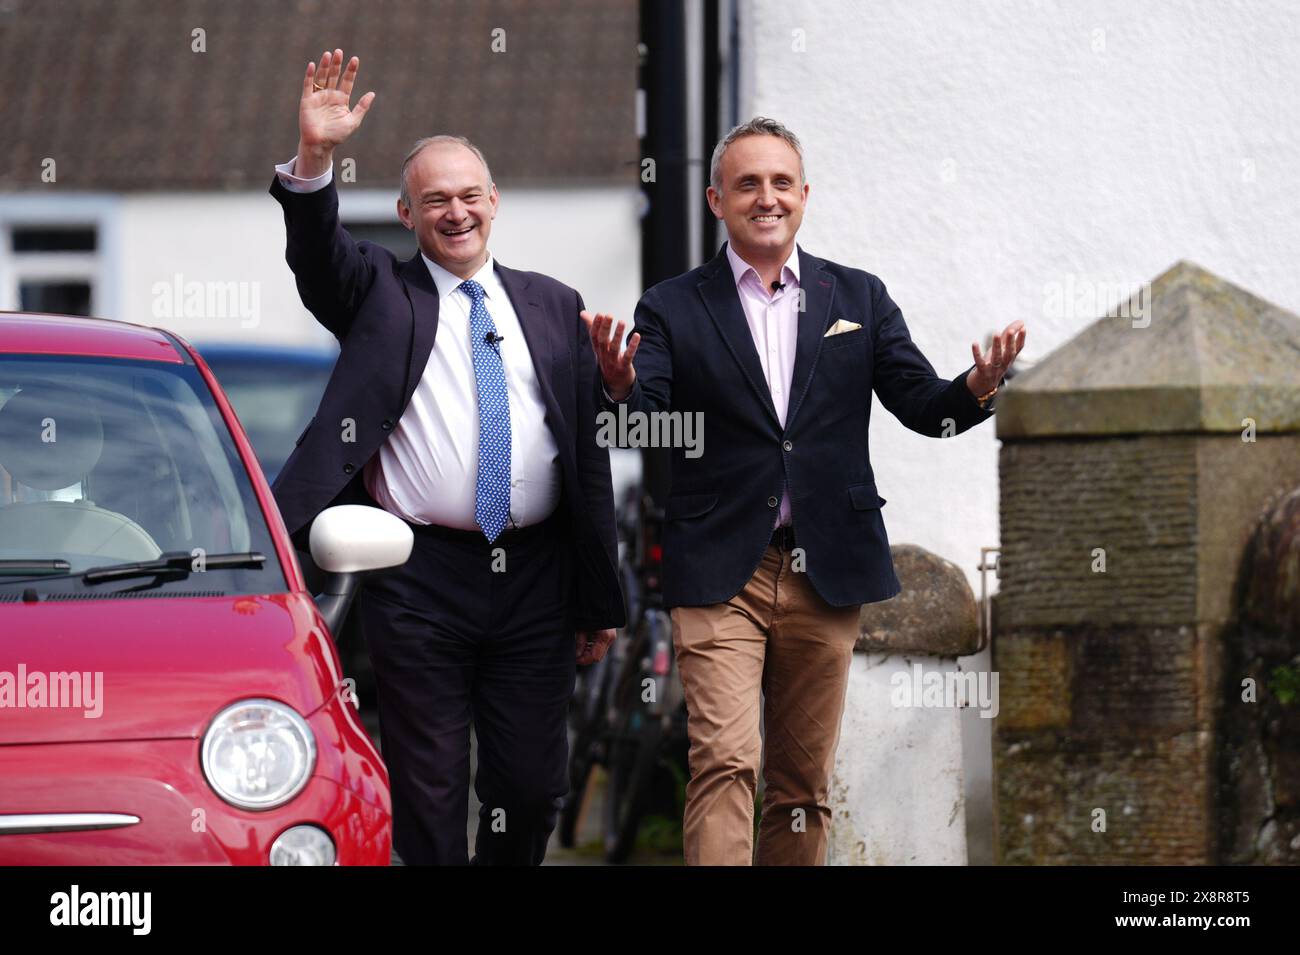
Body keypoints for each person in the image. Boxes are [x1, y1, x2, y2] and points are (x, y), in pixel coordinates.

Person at [584, 117, 1025, 865]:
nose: (766, 197)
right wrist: (622, 385)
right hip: (723, 569)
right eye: (748, 183)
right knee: (725, 759)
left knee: (801, 785)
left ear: (804, 195)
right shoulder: (673, 306)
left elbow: (923, 407)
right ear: (717, 198)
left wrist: (978, 387)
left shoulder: (858, 295)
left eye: (780, 182)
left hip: (826, 567)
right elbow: (648, 430)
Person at [269, 49, 624, 865]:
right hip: (418, 575)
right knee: (427, 786)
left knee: (532, 784)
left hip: (534, 574)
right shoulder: (378, 295)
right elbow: (317, 254)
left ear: (494, 202)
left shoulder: (553, 303)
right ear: (405, 212)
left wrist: (597, 592)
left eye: (469, 196)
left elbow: (585, 454)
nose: (455, 212)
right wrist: (316, 157)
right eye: (435, 200)